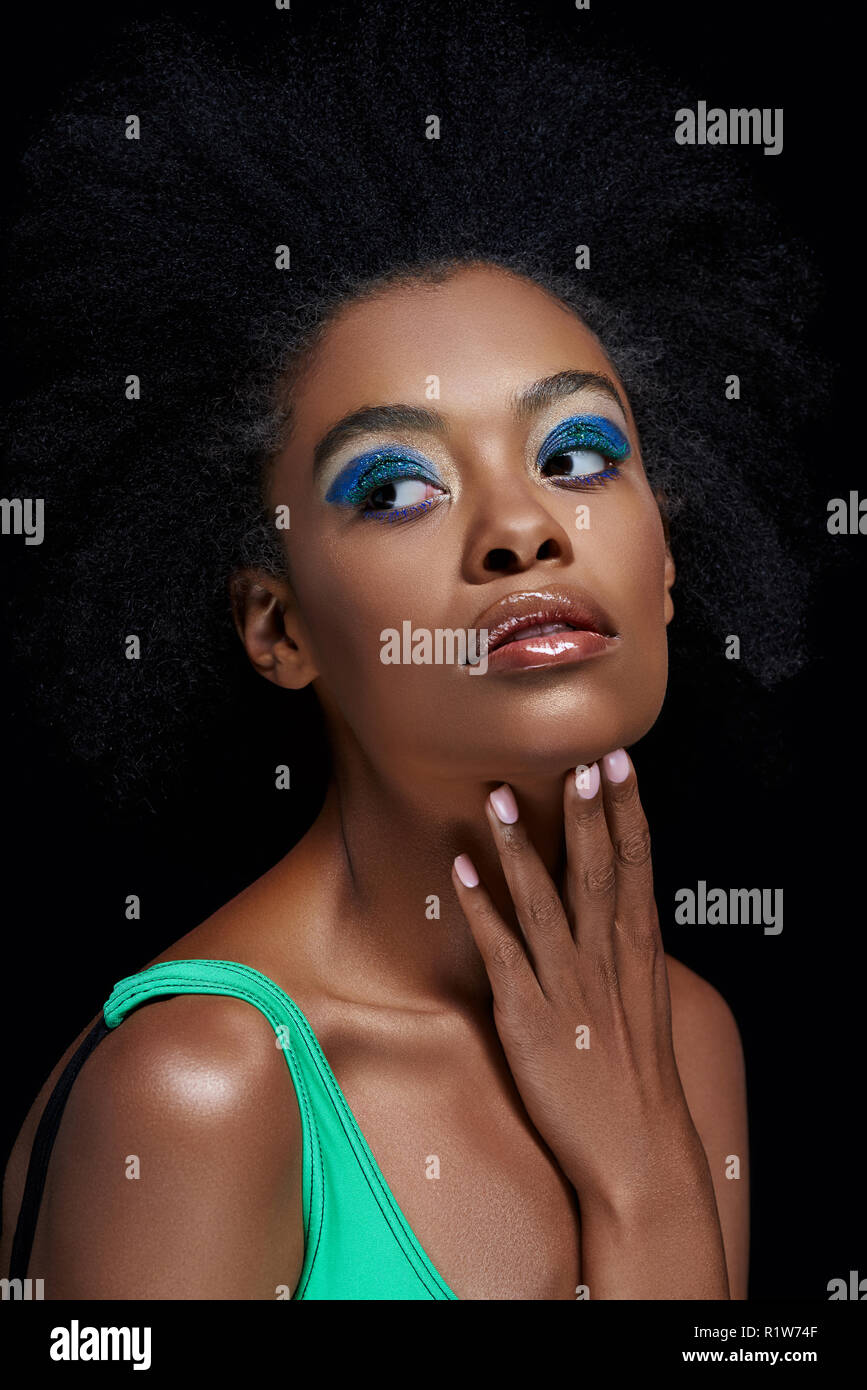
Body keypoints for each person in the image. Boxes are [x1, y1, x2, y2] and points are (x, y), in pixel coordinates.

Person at [1, 1, 823, 1299]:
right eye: (394, 486)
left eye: (579, 456)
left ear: (664, 570)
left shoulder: (688, 1040)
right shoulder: (205, 1086)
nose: (520, 531)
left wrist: (648, 1175)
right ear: (278, 629)